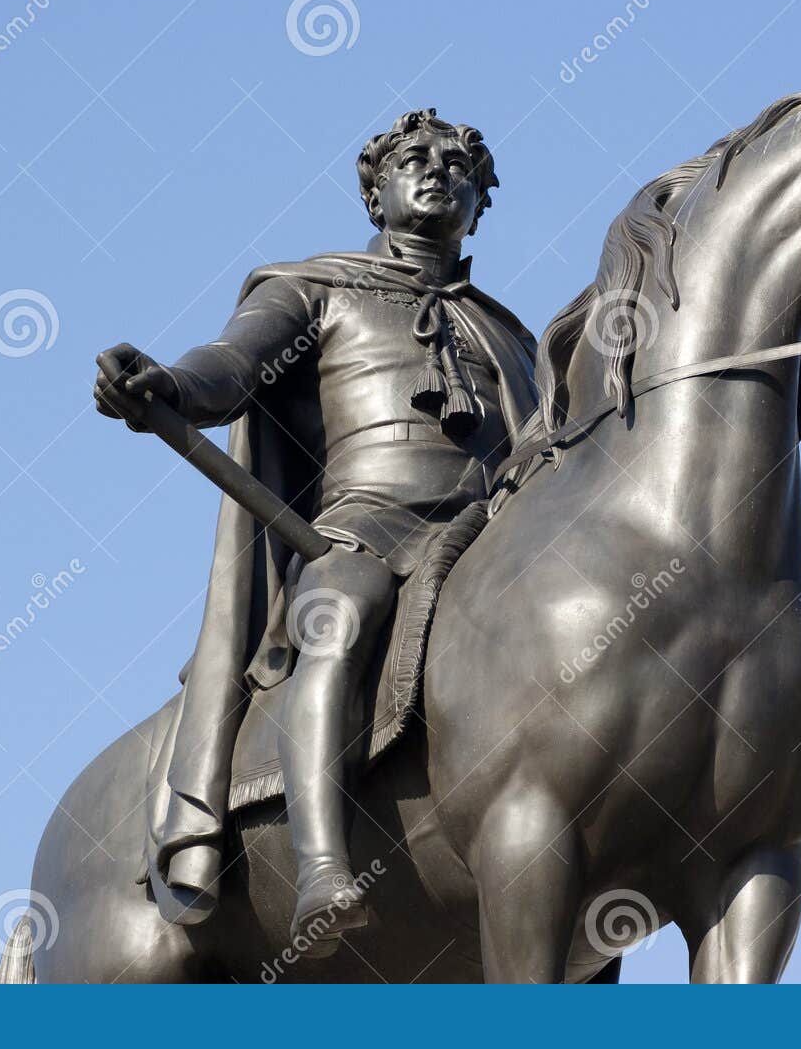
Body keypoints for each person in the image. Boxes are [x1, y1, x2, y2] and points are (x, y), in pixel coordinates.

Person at [94, 109, 538, 952]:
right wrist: (169, 385)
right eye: (413, 159)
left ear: (482, 205)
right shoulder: (313, 285)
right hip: (367, 523)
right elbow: (228, 369)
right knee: (333, 622)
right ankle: (324, 868)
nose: (438, 171)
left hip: (492, 531)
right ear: (375, 194)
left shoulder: (512, 334)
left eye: (458, 165)